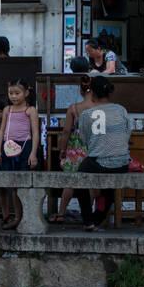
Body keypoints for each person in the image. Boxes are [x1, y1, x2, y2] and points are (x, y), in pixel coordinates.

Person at [75, 75, 131, 231]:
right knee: (109, 187)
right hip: (122, 162)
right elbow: (127, 133)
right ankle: (97, 219)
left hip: (98, 161)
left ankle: (89, 221)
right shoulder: (121, 110)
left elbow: (85, 139)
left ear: (91, 92)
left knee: (79, 180)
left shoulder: (86, 115)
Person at [50, 71, 97, 224]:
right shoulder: (100, 109)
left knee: (70, 181)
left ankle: (61, 213)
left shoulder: (74, 108)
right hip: (92, 149)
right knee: (90, 183)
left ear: (81, 90)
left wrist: (63, 150)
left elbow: (66, 131)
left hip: (75, 149)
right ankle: (87, 215)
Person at [0, 77, 39, 230]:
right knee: (13, 185)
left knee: (24, 184)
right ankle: (16, 216)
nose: (13, 96)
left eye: (17, 93)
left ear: (26, 93)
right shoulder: (7, 110)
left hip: (25, 148)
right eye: (11, 93)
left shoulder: (30, 110)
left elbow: (35, 133)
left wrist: (33, 154)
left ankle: (26, 216)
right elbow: (2, 130)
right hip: (8, 147)